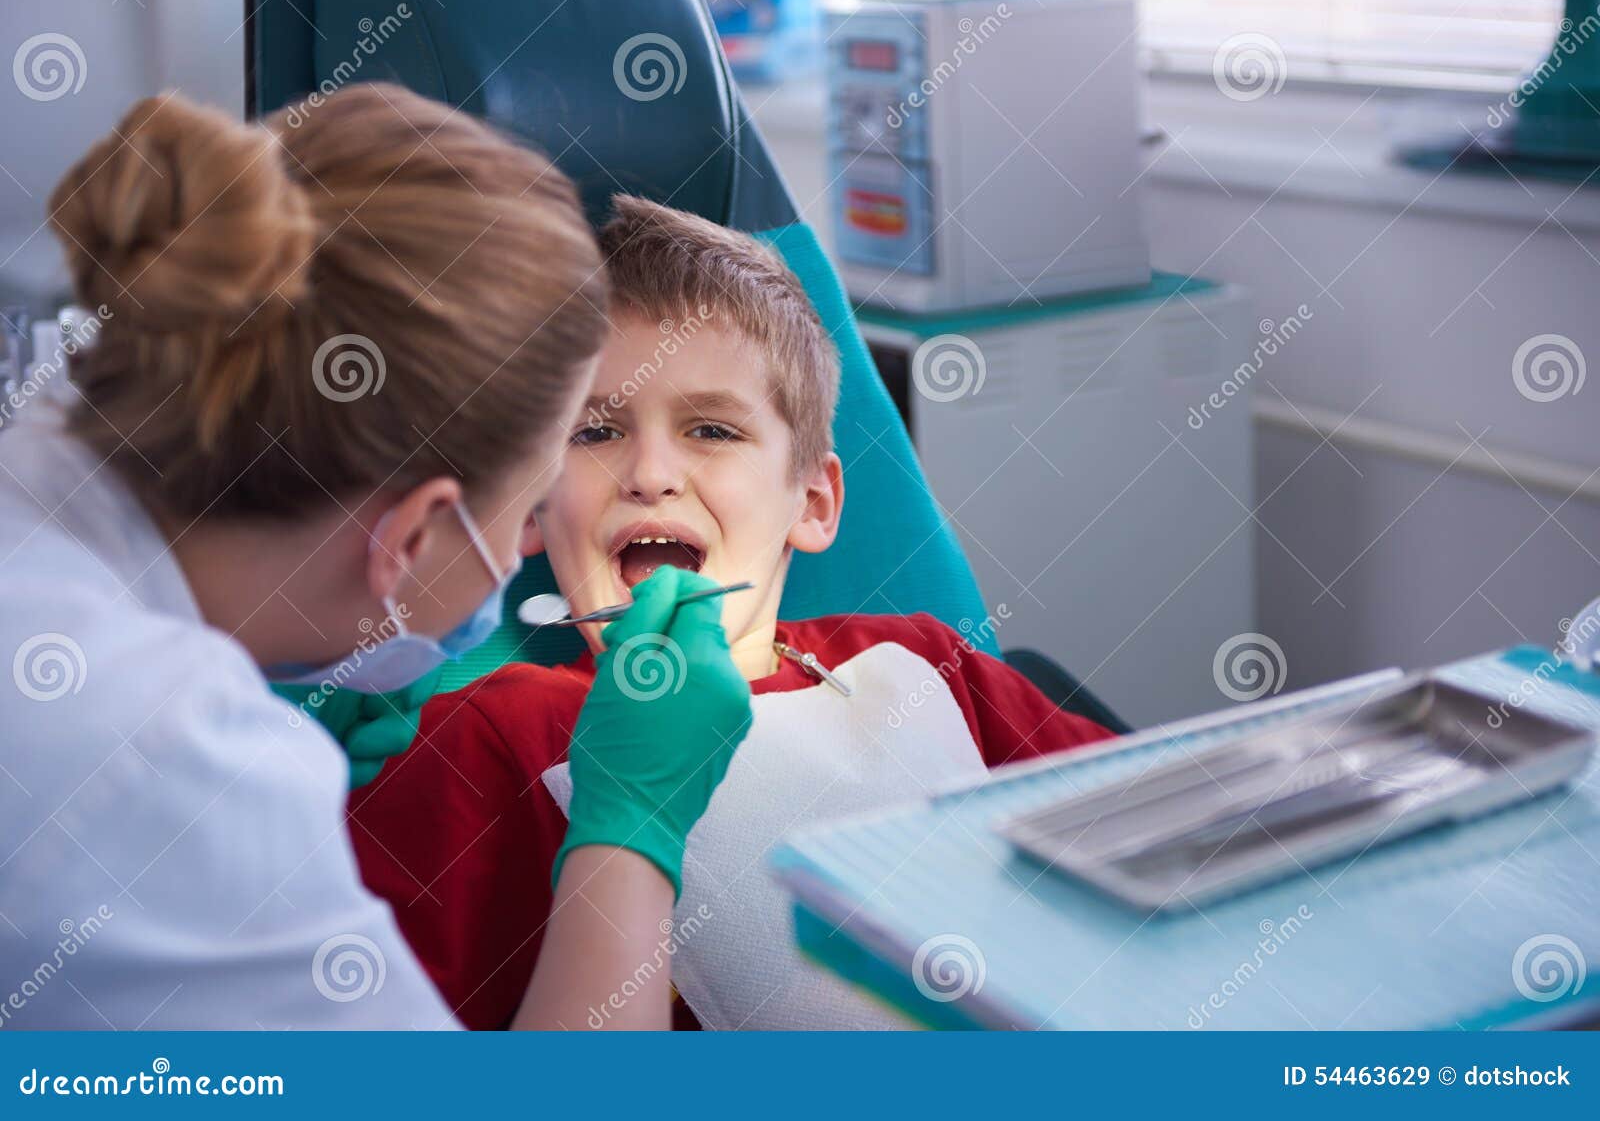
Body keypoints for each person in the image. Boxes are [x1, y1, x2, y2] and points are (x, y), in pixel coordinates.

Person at [0, 87, 752, 1029]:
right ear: (410, 537)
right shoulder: (174, 767)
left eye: (714, 430)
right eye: (530, 507)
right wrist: (632, 828)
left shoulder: (54, 413)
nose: (647, 477)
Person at [348, 196, 1118, 1030]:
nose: (649, 473)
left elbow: (1171, 837)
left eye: (711, 429)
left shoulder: (928, 663)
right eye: (595, 433)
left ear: (814, 503)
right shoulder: (487, 740)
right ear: (532, 509)